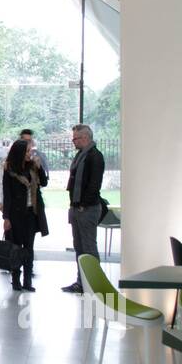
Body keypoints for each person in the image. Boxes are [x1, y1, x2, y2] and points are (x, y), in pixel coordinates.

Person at [62, 123, 106, 293]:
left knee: (89, 248)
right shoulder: (80, 155)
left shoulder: (95, 156)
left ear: (86, 137)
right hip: (76, 207)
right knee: (79, 247)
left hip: (87, 209)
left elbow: (94, 184)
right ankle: (81, 282)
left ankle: (95, 285)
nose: (73, 141)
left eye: (76, 138)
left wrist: (82, 205)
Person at [1, 138, 49, 292]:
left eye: (30, 151)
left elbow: (44, 183)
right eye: (27, 151)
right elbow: (7, 195)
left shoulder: (33, 167)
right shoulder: (9, 170)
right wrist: (6, 218)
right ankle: (16, 280)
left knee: (29, 248)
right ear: (20, 153)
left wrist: (40, 168)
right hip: (15, 215)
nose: (30, 154)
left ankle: (28, 281)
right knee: (15, 247)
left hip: (31, 213)